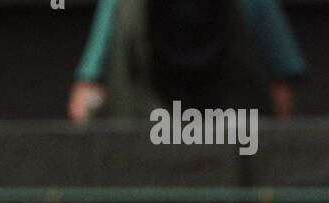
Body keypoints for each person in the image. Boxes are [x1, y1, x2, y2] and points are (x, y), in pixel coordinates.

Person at [68, 0, 308, 122]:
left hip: (142, 171)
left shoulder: (121, 4)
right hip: (235, 169)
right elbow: (281, 92)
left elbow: (85, 99)